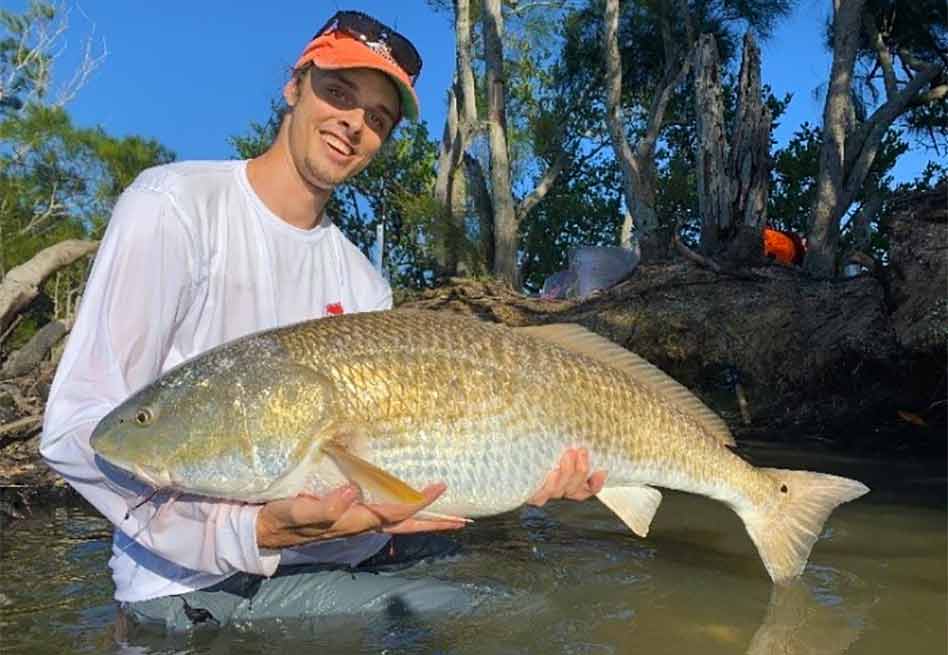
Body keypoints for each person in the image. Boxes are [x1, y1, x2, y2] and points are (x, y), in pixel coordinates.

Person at [39, 10, 607, 632]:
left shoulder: (363, 280)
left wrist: (528, 464)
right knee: (521, 616)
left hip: (336, 552)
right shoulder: (173, 209)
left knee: (510, 565)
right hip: (197, 585)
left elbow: (392, 452)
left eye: (378, 119)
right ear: (295, 85)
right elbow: (76, 431)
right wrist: (248, 529)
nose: (353, 124)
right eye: (339, 93)